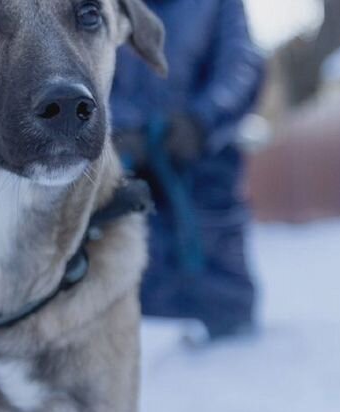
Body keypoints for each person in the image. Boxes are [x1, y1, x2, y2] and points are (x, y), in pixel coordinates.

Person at [112, 0, 265, 340]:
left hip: (204, 165)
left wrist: (201, 122)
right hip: (125, 163)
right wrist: (117, 129)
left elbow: (240, 64)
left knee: (224, 307)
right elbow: (81, 65)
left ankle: (226, 325)